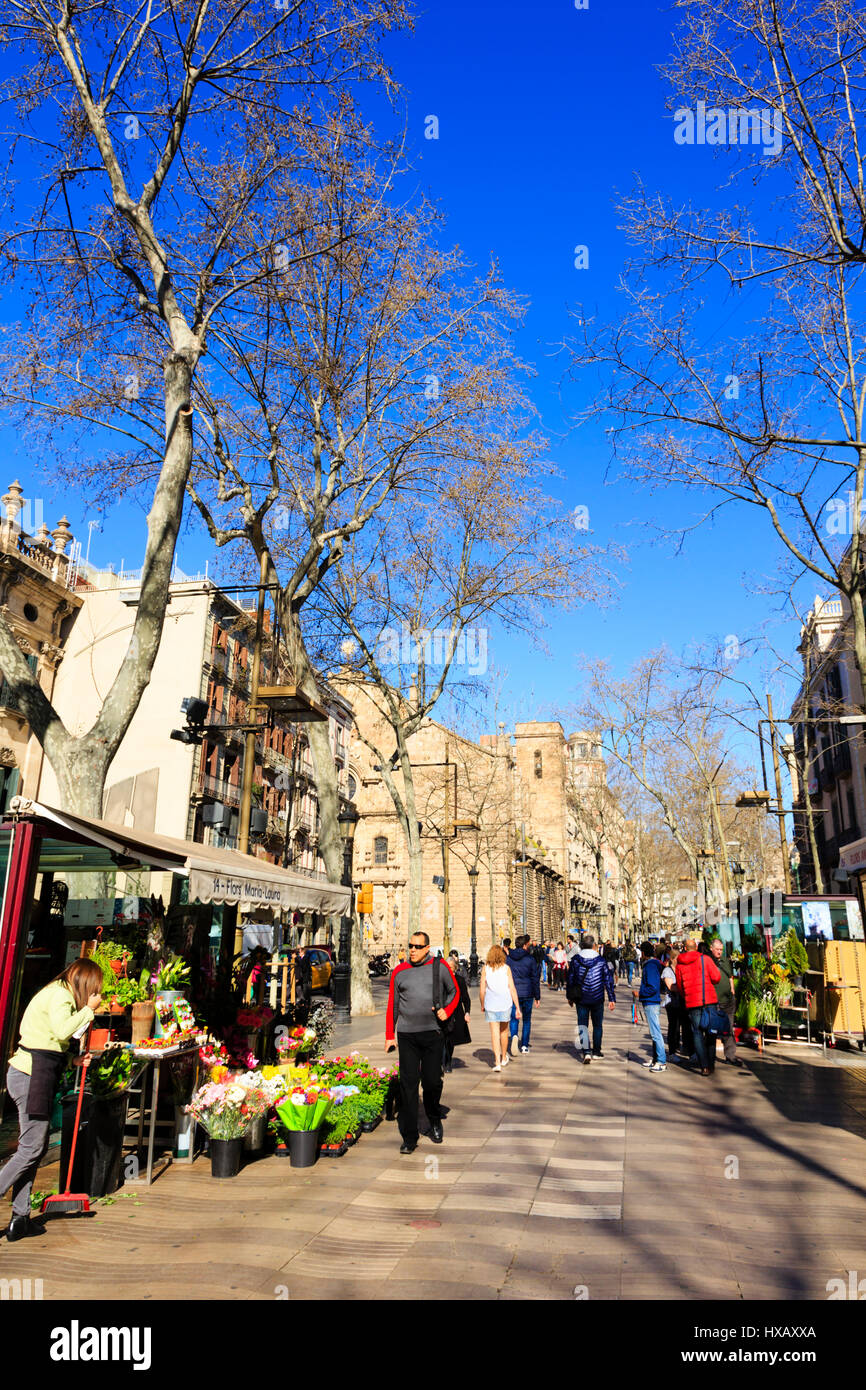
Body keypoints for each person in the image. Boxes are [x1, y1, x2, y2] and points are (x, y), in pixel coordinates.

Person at [0, 958, 103, 1240]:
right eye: (96, 990)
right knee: (31, 1148)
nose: (98, 995)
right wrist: (88, 1012)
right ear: (84, 983)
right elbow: (61, 1031)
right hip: (29, 1078)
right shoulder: (60, 995)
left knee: (36, 1146)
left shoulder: (58, 992)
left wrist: (74, 1060)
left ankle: (20, 1218)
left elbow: (48, 1043)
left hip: (34, 1075)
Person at [385, 931, 459, 1153]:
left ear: (427, 948)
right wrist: (390, 1035)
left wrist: (447, 1010)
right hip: (407, 1035)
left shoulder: (440, 967)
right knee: (408, 1085)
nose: (413, 950)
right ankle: (409, 1137)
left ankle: (434, 1118)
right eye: (411, 946)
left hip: (432, 1033)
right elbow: (392, 1005)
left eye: (418, 947)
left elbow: (454, 992)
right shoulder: (399, 972)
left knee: (432, 1082)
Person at [675, 936, 722, 1076]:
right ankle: (711, 1062)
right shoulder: (705, 959)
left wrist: (687, 996)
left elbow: (680, 985)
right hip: (709, 1000)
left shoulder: (680, 964)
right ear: (695, 948)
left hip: (692, 1002)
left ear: (684, 948)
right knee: (711, 1031)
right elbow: (716, 977)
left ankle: (704, 1066)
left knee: (697, 1032)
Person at [566, 934, 616, 1064]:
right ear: (594, 945)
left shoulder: (576, 960)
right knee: (597, 1025)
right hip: (597, 996)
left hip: (581, 997)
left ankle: (586, 1051)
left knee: (582, 1024)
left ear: (582, 945)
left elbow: (570, 979)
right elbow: (608, 980)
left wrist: (570, 997)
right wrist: (611, 998)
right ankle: (597, 1051)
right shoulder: (600, 960)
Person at [480, 945, 521, 1072]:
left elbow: (482, 989)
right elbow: (512, 988)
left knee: (494, 1033)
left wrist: (482, 1004)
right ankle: (504, 1058)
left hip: (491, 1004)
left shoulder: (485, 968)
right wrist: (517, 1007)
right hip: (505, 1003)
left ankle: (497, 1062)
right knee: (504, 1031)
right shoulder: (506, 968)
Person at [633, 942, 666, 1072]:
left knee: (655, 1032)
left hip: (651, 1001)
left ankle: (661, 1061)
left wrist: (640, 993)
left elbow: (652, 987)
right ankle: (655, 1059)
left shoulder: (651, 966)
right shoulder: (651, 965)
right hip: (650, 1001)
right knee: (653, 1032)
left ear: (644, 953)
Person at [506, 934, 542, 1053]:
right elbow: (535, 978)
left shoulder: (509, 959)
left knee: (514, 1018)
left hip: (513, 993)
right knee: (526, 1019)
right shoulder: (530, 959)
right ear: (525, 945)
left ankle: (515, 1035)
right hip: (527, 993)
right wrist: (537, 996)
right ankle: (525, 1045)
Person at [709, 938, 741, 1066]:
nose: (719, 952)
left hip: (728, 1000)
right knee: (712, 1030)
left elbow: (730, 977)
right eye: (717, 949)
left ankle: (730, 1056)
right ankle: (710, 1057)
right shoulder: (708, 961)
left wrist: (732, 991)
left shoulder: (725, 961)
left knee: (728, 1029)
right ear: (711, 949)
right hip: (714, 1001)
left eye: (721, 950)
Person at [443, 950, 472, 1072]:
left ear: (455, 968)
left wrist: (467, 1012)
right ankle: (444, 1060)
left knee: (451, 1038)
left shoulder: (459, 980)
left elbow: (466, 998)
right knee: (442, 1037)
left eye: (451, 968)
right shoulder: (441, 980)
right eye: (446, 968)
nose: (449, 970)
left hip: (456, 1012)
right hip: (442, 1011)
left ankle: (447, 1061)